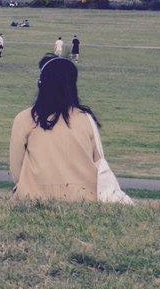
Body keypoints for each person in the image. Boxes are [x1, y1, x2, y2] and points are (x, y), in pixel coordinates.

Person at [9, 55, 109, 201]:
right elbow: (99, 162)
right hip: (83, 198)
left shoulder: (25, 119)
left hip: (34, 196)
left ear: (41, 84)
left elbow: (16, 168)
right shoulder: (86, 118)